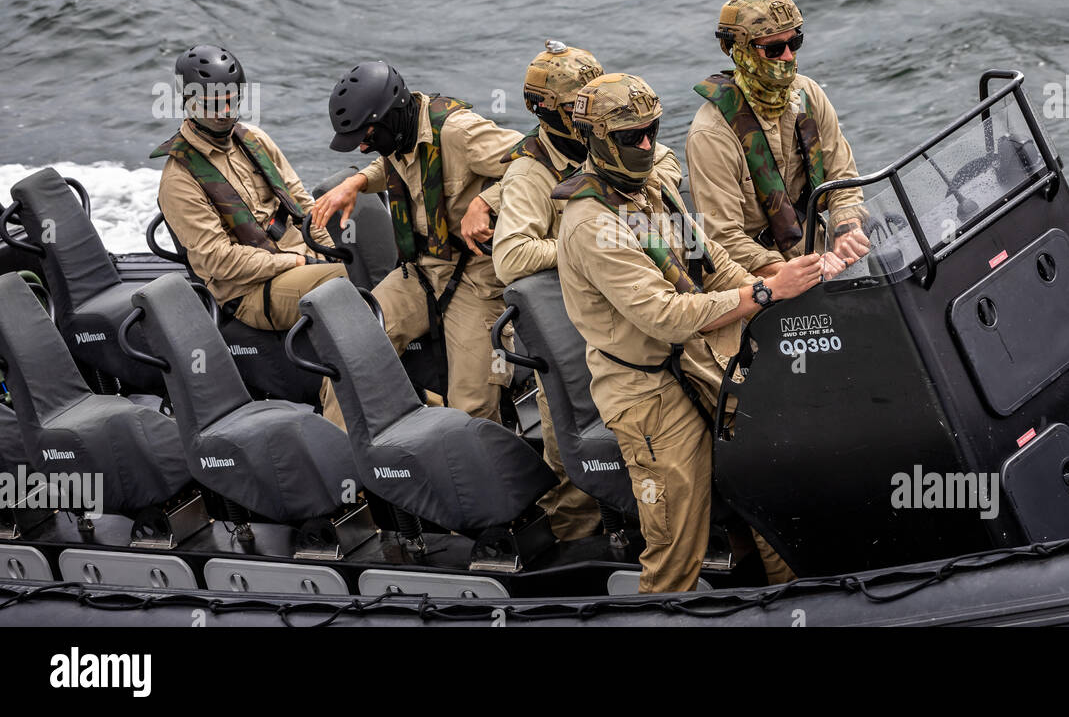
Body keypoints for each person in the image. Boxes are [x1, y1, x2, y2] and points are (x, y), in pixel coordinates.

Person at [555, 72, 824, 593]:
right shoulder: (593, 224)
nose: (649, 144)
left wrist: (773, 286)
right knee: (676, 547)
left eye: (653, 130)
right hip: (648, 394)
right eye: (633, 136)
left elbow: (709, 263)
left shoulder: (651, 186)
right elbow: (665, 314)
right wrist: (765, 295)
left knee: (763, 484)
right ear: (599, 142)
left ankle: (792, 598)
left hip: (700, 364)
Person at [494, 40, 681, 540]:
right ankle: (580, 553)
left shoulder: (621, 141)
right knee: (569, 454)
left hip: (633, 301)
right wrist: (586, 243)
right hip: (567, 322)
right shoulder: (531, 171)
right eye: (576, 110)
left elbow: (664, 166)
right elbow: (510, 256)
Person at [312, 61, 521, 424]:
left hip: (474, 276)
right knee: (350, 350)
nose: (363, 148)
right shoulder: (398, 136)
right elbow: (396, 162)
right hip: (419, 271)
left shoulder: (459, 132)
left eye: (367, 137)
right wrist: (358, 182)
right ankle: (345, 467)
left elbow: (535, 164)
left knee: (470, 407)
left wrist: (487, 202)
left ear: (390, 118)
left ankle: (477, 472)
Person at [152, 45, 348, 427]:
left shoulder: (254, 139)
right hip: (248, 291)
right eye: (215, 103)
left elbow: (303, 203)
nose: (226, 111)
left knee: (372, 269)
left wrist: (322, 249)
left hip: (298, 260)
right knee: (341, 286)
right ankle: (339, 420)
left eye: (231, 100)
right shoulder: (179, 179)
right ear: (190, 102)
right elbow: (218, 261)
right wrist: (296, 261)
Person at [686, 0, 872, 279]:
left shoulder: (807, 93)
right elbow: (724, 239)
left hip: (823, 253)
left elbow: (842, 178)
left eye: (794, 42)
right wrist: (791, 274)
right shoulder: (711, 134)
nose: (787, 56)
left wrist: (848, 228)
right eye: (773, 49)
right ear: (743, 52)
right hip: (762, 280)